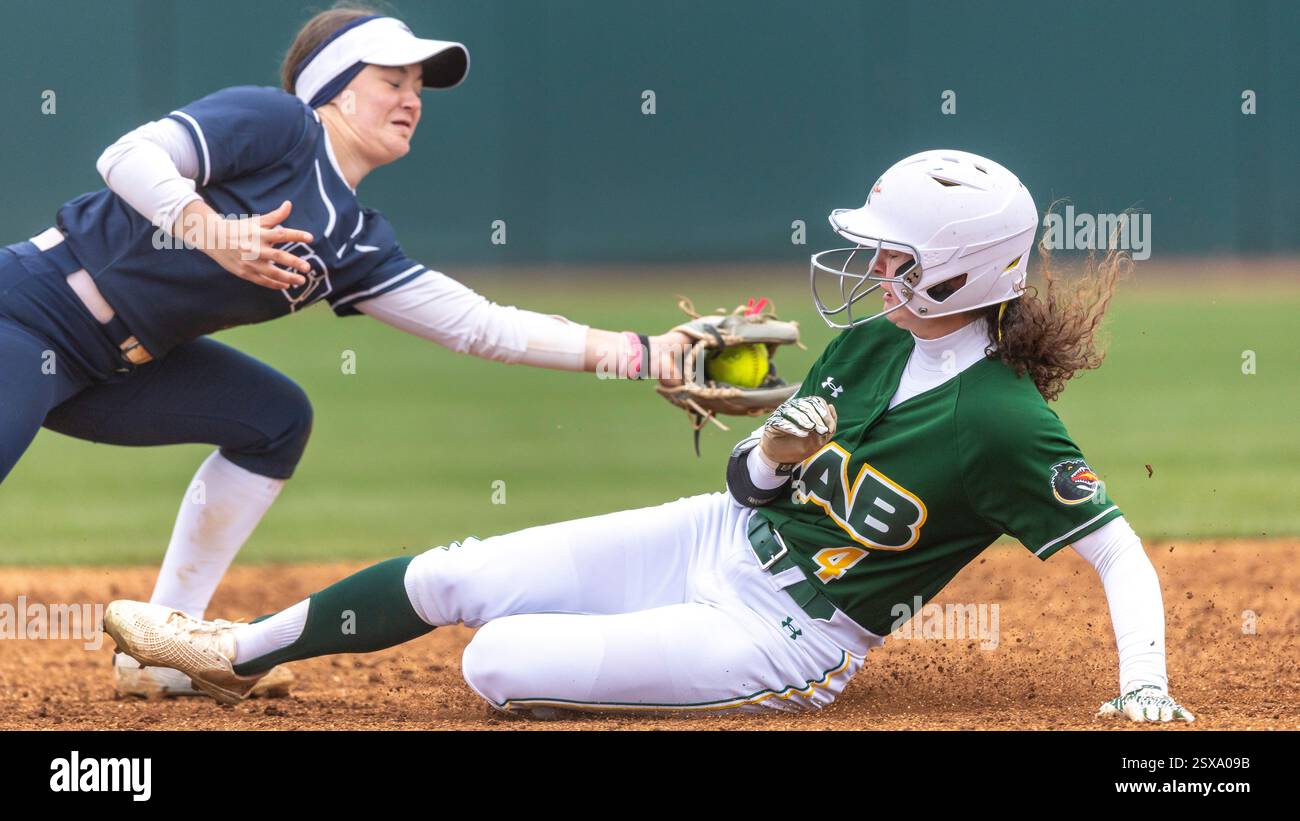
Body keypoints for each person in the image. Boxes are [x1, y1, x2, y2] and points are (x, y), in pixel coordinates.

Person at [104, 149, 1194, 724]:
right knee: (459, 575)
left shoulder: (1002, 419)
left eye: (894, 256)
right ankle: (229, 656)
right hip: (714, 536)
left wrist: (1143, 684)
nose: (870, 270)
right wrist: (767, 459)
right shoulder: (870, 347)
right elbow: (746, 483)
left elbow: (1115, 548)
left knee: (496, 661)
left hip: (788, 638)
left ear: (960, 270)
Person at [0, 6, 688, 698]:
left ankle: (165, 644)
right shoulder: (280, 124)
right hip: (28, 314)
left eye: (418, 85)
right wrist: (215, 232)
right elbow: (127, 157)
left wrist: (643, 352)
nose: (412, 99)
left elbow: (482, 327)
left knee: (274, 419)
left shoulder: (356, 240)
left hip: (113, 369)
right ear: (338, 86)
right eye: (393, 80)